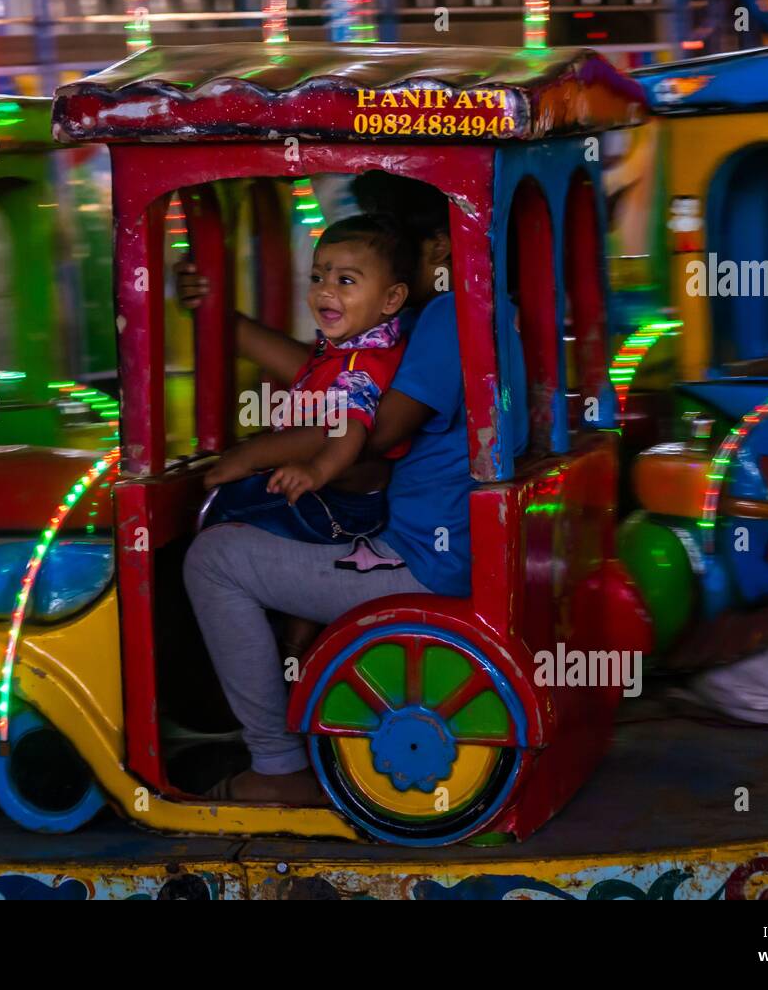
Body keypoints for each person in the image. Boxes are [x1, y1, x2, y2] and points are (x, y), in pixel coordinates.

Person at [181, 172, 530, 804]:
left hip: (422, 561)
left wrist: (243, 457)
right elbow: (327, 375)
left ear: (437, 249)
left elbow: (363, 429)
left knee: (214, 560)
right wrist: (221, 319)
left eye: (393, 248)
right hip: (425, 543)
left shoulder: (453, 315)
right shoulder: (453, 312)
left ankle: (276, 765)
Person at [197, 214, 411, 548]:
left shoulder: (358, 364)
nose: (325, 290)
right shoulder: (353, 347)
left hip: (335, 507)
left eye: (346, 281)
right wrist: (203, 297)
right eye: (317, 277)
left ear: (391, 299)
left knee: (220, 509)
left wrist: (316, 471)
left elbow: (349, 426)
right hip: (342, 502)